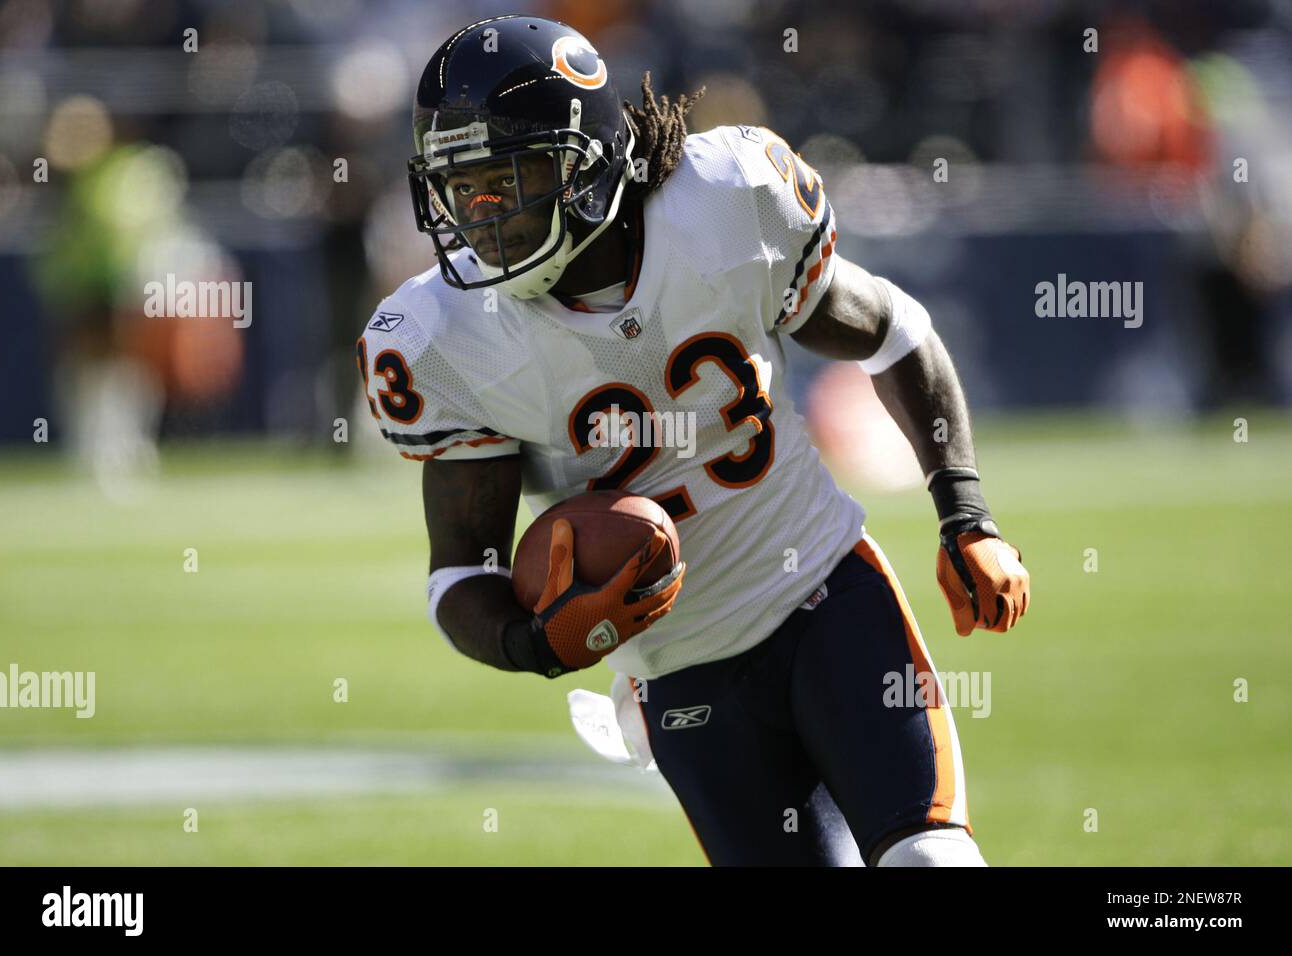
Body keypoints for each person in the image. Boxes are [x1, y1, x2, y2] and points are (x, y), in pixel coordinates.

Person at [357, 14, 1031, 866]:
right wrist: (533, 643)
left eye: (509, 182)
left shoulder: (726, 199)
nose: (482, 218)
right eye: (462, 190)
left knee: (929, 862)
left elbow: (896, 334)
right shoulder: (443, 338)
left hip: (826, 597)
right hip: (681, 676)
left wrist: (964, 512)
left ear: (588, 164)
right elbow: (460, 571)